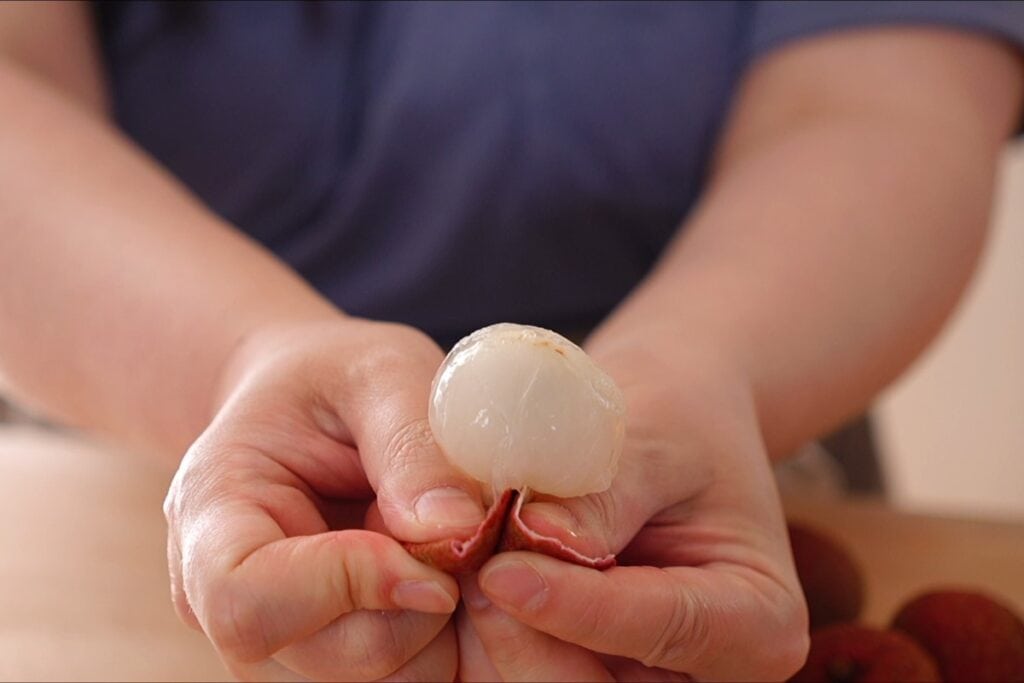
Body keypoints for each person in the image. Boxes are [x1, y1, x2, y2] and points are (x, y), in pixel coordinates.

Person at [1, 1, 1022, 680]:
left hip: (729, 435)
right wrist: (240, 360)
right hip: (154, 423)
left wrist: (705, 365)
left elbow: (880, 99)